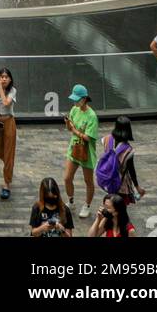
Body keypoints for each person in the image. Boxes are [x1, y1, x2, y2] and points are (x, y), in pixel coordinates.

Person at [64, 84, 99, 220]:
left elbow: (88, 138)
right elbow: (69, 127)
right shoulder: (74, 109)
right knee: (67, 178)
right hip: (74, 149)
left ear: (84, 99)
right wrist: (68, 123)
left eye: (77, 99)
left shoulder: (92, 116)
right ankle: (71, 201)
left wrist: (74, 130)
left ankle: (87, 205)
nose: (75, 102)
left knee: (88, 180)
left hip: (87, 152)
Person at [96, 116, 145, 203]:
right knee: (120, 208)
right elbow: (131, 170)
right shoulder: (128, 150)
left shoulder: (106, 139)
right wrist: (137, 187)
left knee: (111, 203)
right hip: (121, 183)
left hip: (108, 178)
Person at [0, 67, 17, 199]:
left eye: (6, 77)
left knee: (8, 155)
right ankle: (8, 168)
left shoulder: (12, 91)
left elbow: (6, 103)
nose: (4, 79)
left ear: (10, 79)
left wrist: (0, 87)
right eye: (1, 77)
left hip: (9, 123)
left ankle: (6, 184)